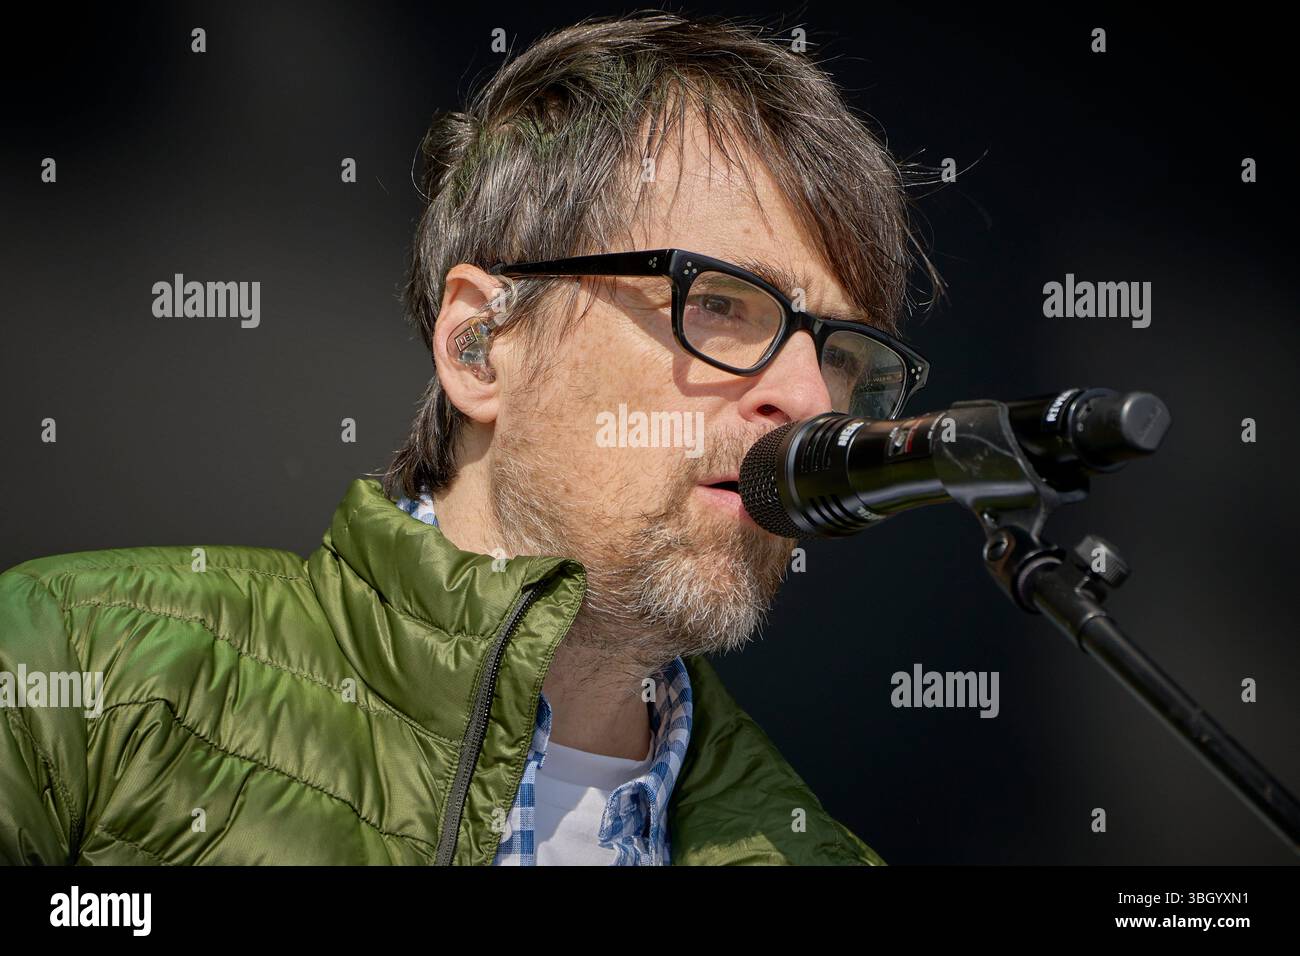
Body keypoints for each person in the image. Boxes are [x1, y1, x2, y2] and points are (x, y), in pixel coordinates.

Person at [0, 12, 936, 865]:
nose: (810, 397)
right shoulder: (77, 676)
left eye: (843, 354)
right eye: (723, 303)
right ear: (480, 346)